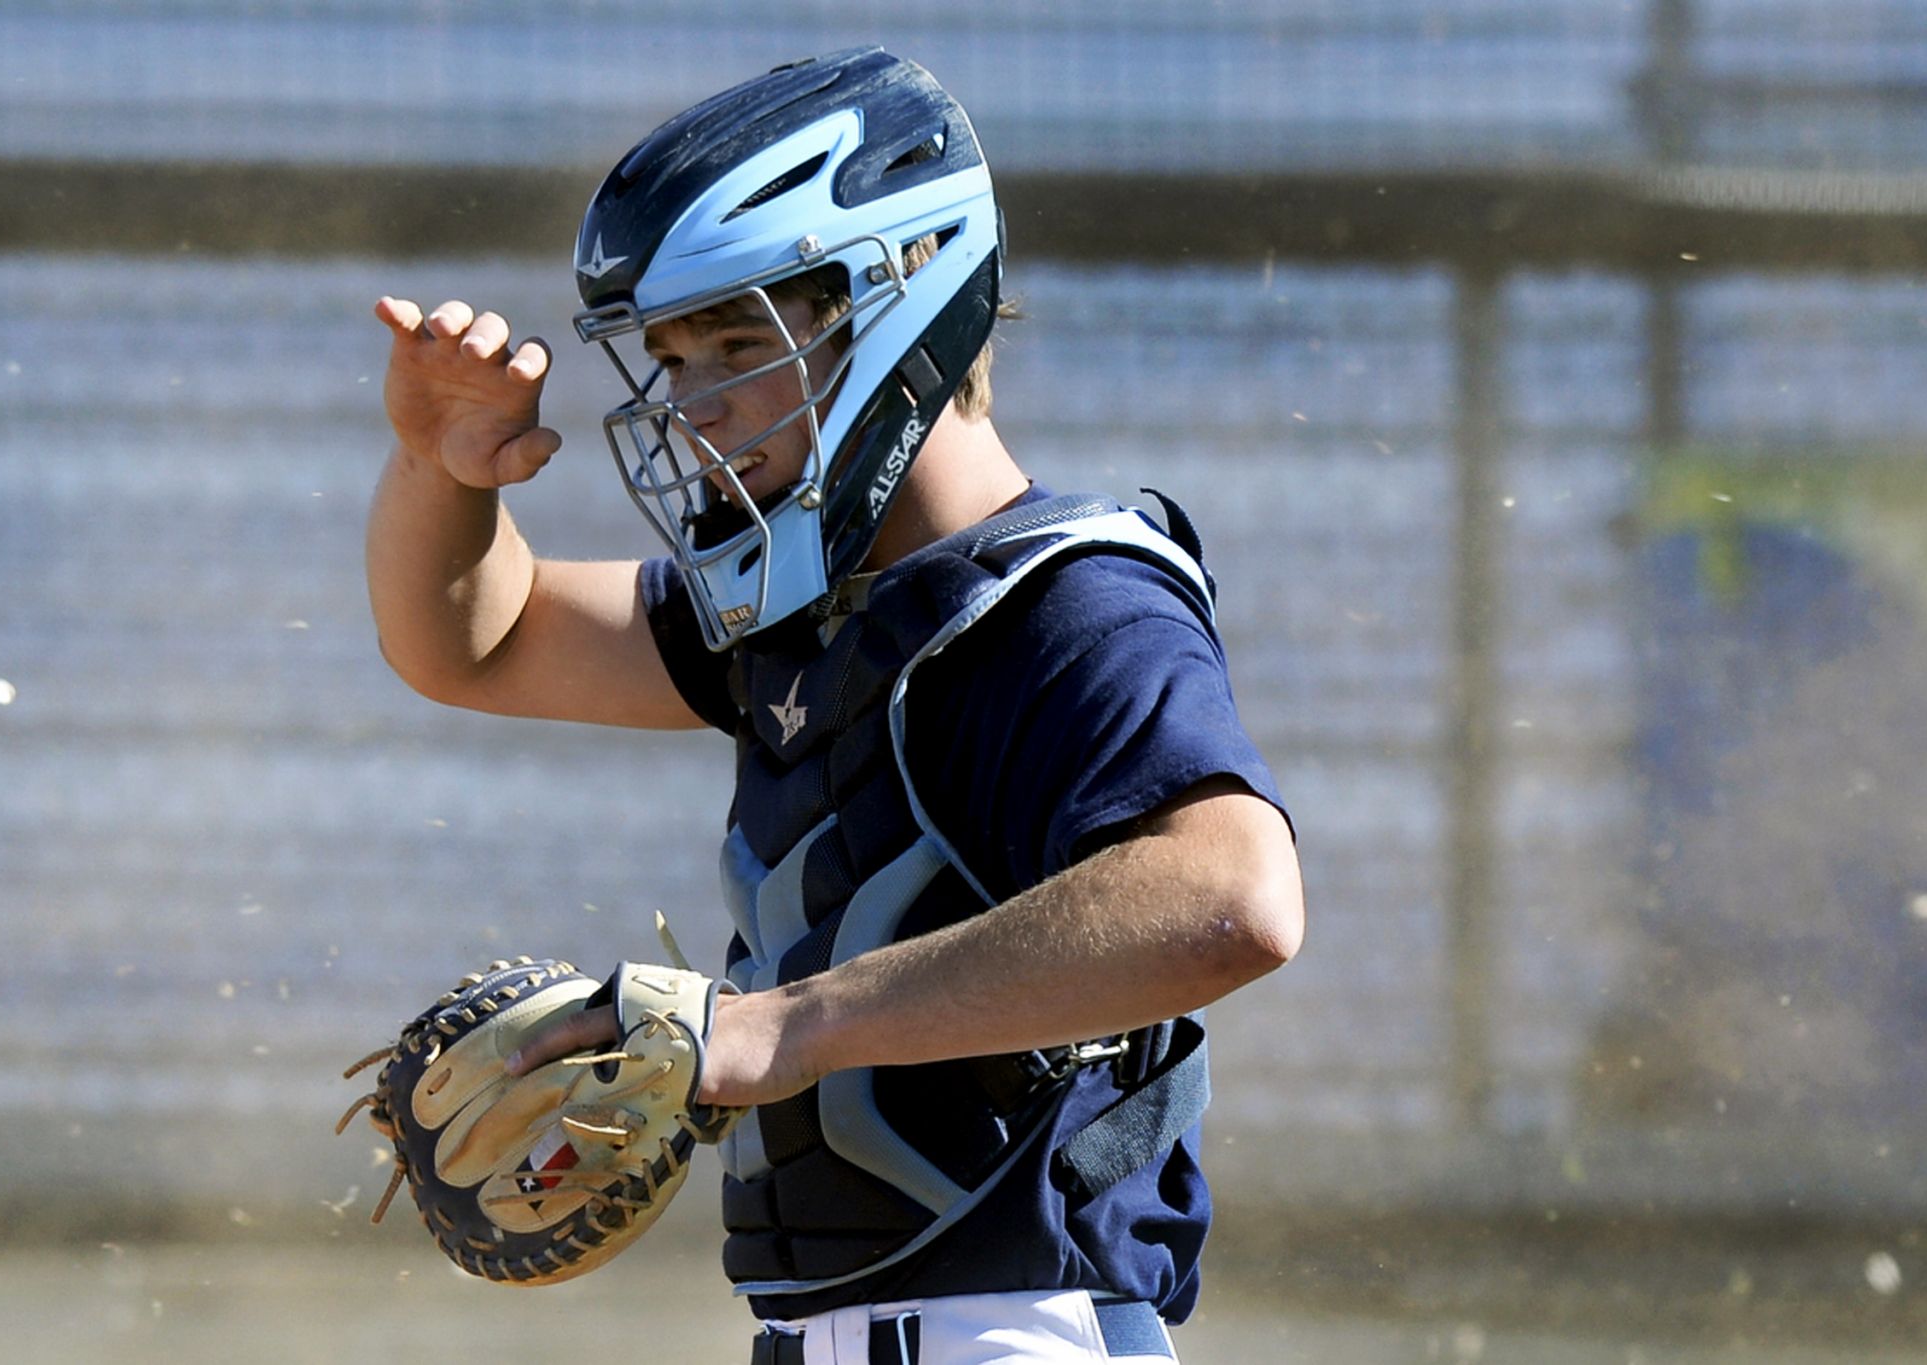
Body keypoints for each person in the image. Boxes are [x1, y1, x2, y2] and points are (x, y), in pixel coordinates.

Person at [366, 46, 1302, 1365]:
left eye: (739, 344)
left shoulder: (1070, 602)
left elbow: (1235, 897)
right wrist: (440, 470)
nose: (693, 409)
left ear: (902, 306)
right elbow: (481, 642)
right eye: (671, 359)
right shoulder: (809, 612)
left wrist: (778, 1028)